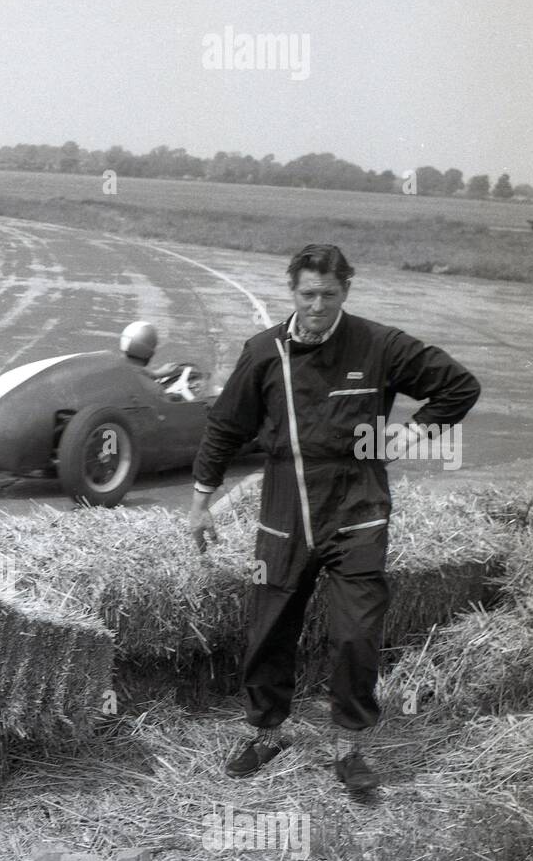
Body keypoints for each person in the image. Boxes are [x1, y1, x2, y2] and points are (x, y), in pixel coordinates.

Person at [188, 243, 480, 794]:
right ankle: (266, 730)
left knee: (356, 635)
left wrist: (414, 432)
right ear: (291, 291)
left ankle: (349, 746)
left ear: (346, 289)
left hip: (358, 512)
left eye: (328, 293)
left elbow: (459, 386)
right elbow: (225, 427)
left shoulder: (379, 345)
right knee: (269, 630)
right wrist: (201, 500)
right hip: (284, 513)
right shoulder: (263, 353)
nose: (317, 305)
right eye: (307, 294)